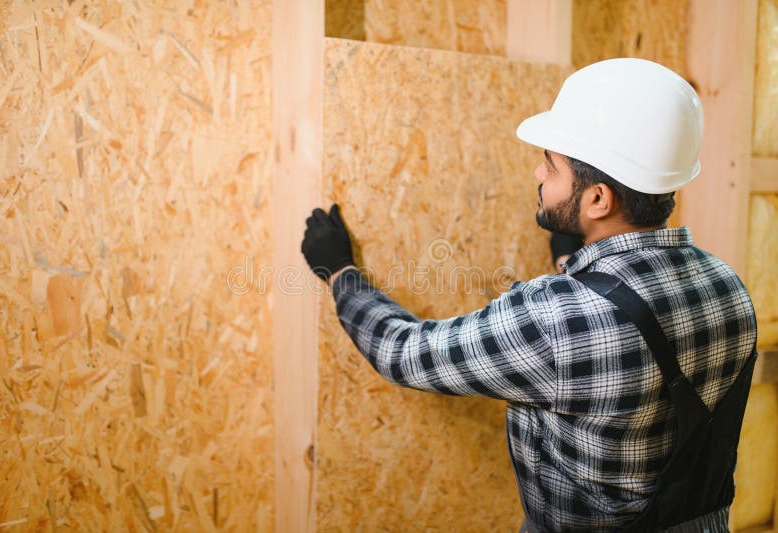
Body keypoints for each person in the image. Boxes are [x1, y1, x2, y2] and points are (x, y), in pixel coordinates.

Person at [300, 58, 757, 531]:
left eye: (552, 166)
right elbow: (632, 325)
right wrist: (572, 259)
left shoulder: (550, 318)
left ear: (598, 200)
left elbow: (404, 352)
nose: (539, 172)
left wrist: (340, 272)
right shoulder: (728, 287)